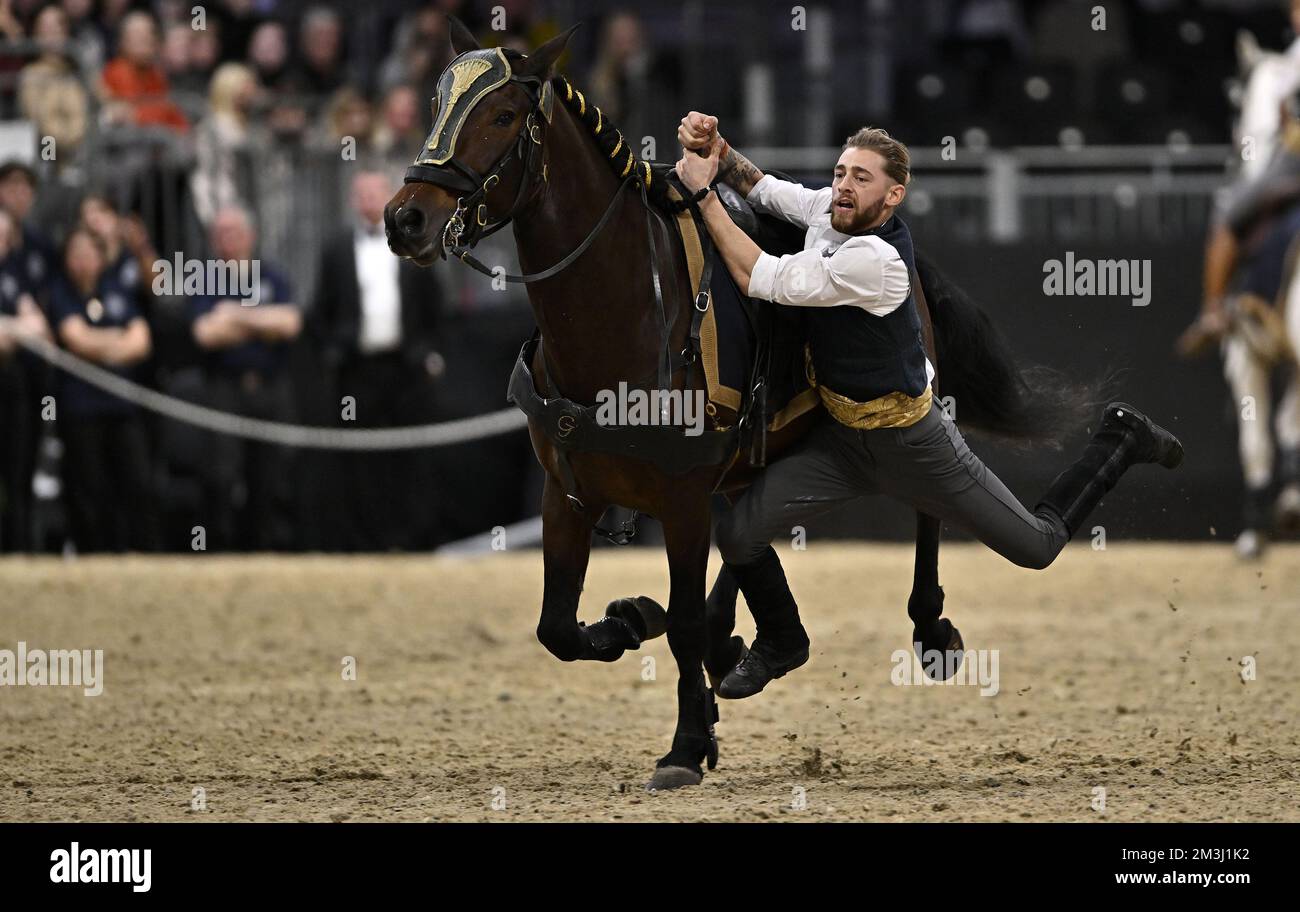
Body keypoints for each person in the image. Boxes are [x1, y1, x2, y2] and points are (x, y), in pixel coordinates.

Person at [673, 113, 1183, 698]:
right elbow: (761, 187)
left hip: (915, 445)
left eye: (861, 178)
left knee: (1037, 547)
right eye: (840, 172)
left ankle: (1119, 436)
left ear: (894, 196)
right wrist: (718, 148)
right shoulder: (826, 210)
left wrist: (703, 191)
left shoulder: (879, 261)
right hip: (841, 442)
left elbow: (759, 275)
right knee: (738, 533)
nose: (843, 185)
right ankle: (783, 640)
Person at [310, 169, 444, 550]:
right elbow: (320, 312)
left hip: (406, 369)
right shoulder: (335, 249)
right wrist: (334, 351)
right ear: (353, 200)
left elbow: (436, 306)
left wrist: (429, 353)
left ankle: (410, 538)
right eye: (362, 194)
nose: (369, 201)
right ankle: (363, 540)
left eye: (375, 193)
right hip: (357, 371)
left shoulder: (416, 241)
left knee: (410, 455)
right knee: (360, 458)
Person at [189, 205, 302, 550]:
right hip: (225, 388)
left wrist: (235, 315)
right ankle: (221, 549)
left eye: (234, 232)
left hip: (270, 388)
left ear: (250, 236)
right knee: (222, 475)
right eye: (220, 233)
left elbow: (290, 324)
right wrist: (261, 325)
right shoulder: (205, 278)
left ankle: (264, 549)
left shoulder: (272, 275)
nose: (227, 240)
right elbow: (206, 334)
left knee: (269, 474)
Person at [47, 227, 156, 553]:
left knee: (137, 481)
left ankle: (137, 553)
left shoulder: (117, 290)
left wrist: (100, 345)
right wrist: (117, 340)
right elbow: (75, 338)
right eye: (74, 254)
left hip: (121, 404)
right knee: (88, 486)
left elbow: (142, 341)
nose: (81, 262)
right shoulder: (60, 292)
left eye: (88, 254)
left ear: (100, 257)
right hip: (80, 407)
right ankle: (91, 553)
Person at [0, 208, 51, 552]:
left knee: (18, 473)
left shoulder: (13, 275)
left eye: (6, 238)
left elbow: (41, 329)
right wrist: (18, 327)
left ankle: (19, 552)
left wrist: (11, 329)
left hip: (12, 383)